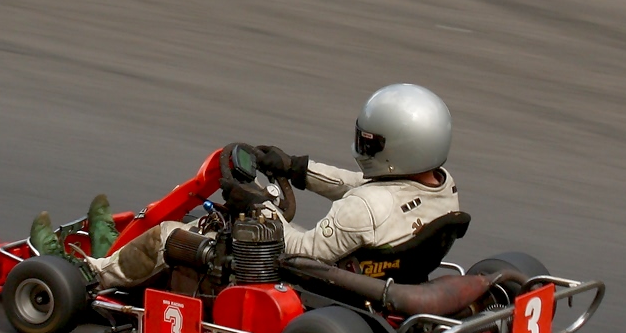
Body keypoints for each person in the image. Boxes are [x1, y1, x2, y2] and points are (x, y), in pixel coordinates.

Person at [30, 83, 461, 288]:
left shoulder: (365, 209)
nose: (363, 146)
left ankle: (91, 274)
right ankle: (117, 253)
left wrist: (259, 206)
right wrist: (294, 168)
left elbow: (303, 252)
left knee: (173, 234)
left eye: (371, 140)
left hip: (306, 281)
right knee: (222, 216)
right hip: (385, 274)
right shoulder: (441, 187)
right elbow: (358, 184)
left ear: (396, 146)